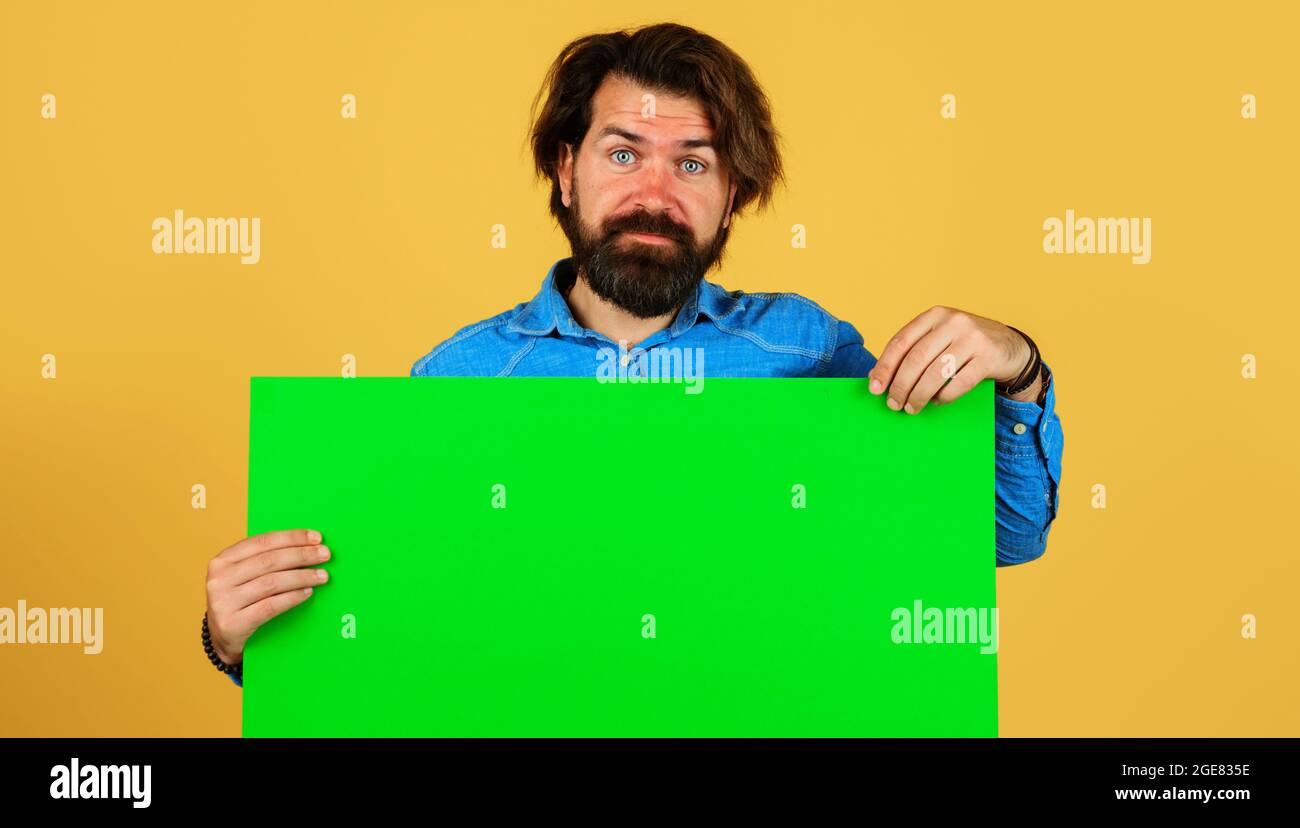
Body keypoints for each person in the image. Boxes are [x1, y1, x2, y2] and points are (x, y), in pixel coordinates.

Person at [204, 23, 1063, 687]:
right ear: (567, 170)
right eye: (624, 154)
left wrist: (1017, 364)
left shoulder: (804, 352)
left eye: (694, 164)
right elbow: (403, 625)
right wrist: (237, 641)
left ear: (732, 199)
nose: (654, 194)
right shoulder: (460, 379)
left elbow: (1003, 537)